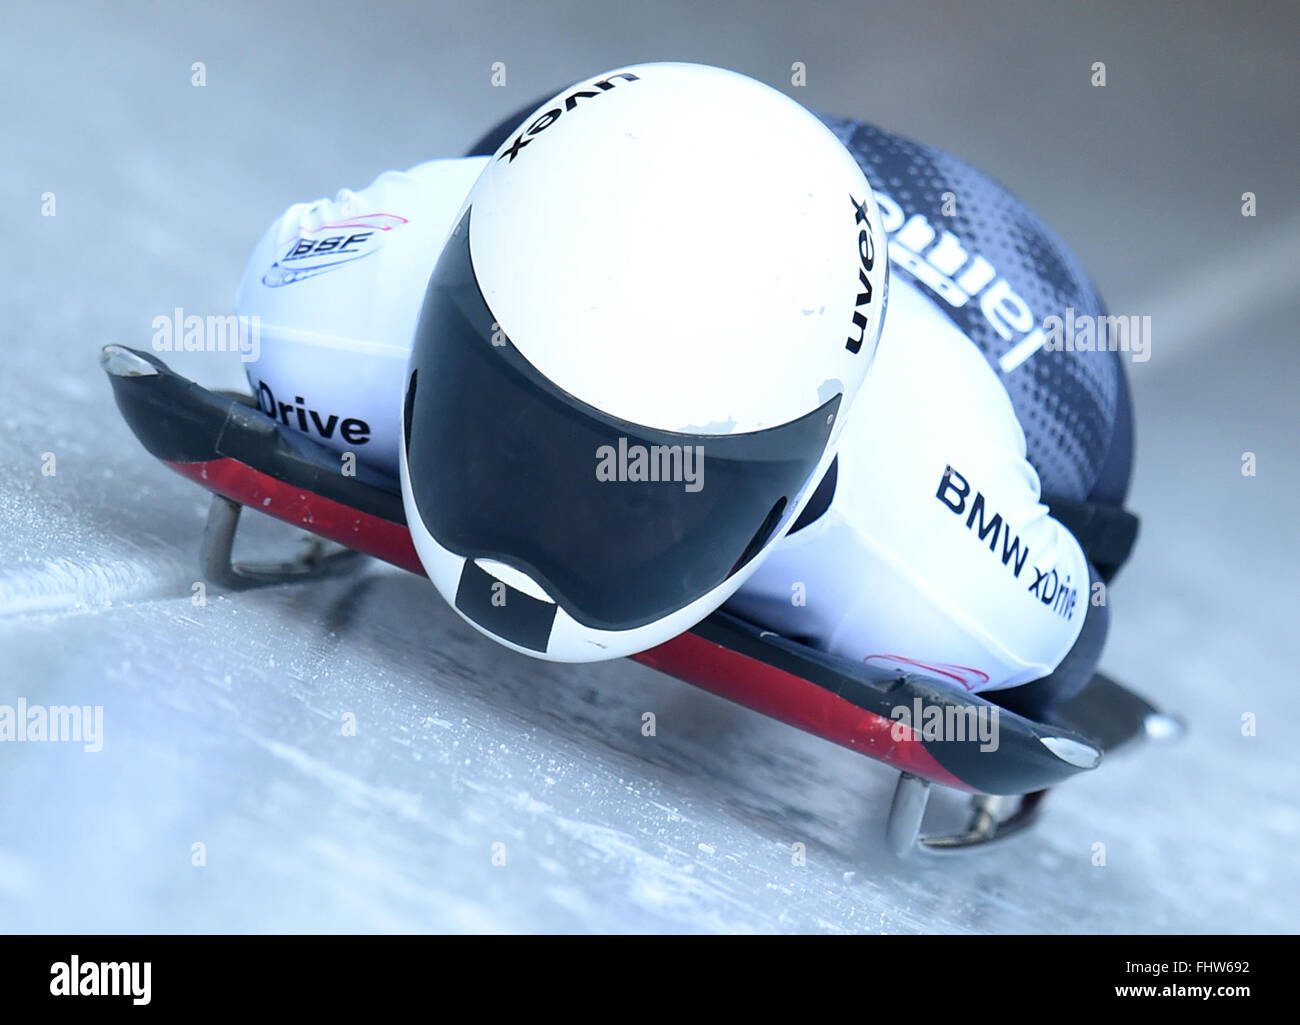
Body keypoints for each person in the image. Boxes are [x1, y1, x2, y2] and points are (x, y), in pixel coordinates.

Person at [236, 67, 1136, 711]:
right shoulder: (314, 319)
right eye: (517, 435)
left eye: (640, 488)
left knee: (1067, 512)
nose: (550, 524)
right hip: (631, 134)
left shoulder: (944, 577)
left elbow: (1062, 627)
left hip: (1015, 342)